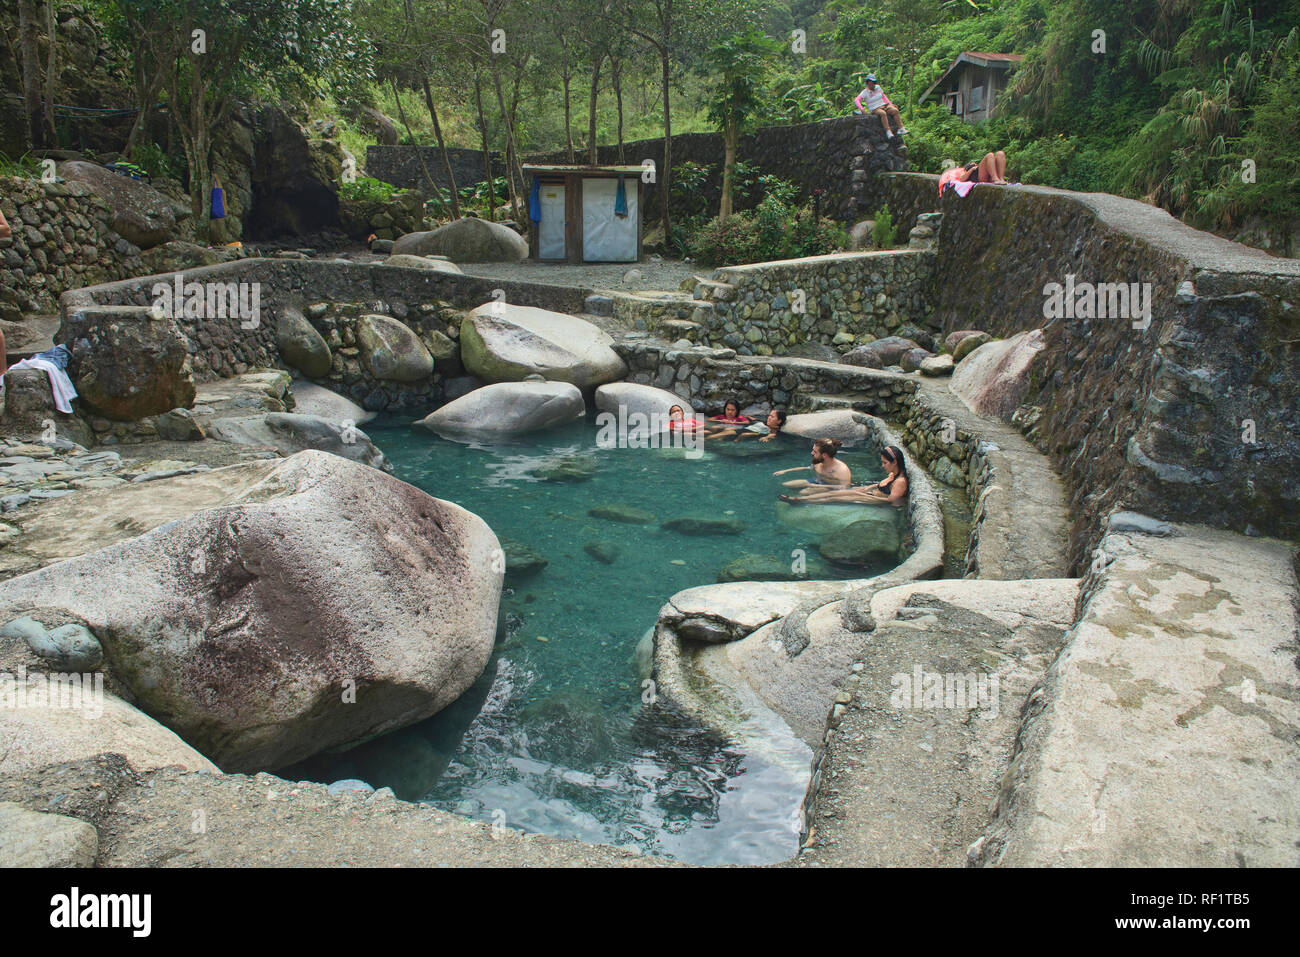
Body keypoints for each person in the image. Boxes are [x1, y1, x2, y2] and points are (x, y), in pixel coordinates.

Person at [782, 444, 909, 505]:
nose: (882, 466)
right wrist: (868, 488)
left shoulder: (900, 482)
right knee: (833, 493)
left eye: (885, 463)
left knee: (834, 497)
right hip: (869, 493)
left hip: (872, 499)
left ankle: (802, 501)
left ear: (895, 462)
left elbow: (889, 501)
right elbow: (881, 484)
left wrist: (859, 494)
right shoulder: (894, 474)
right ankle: (801, 499)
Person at [774, 437, 852, 492]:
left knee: (804, 492)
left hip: (830, 487)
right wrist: (785, 471)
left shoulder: (842, 470)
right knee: (786, 485)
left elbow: (845, 488)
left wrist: (818, 486)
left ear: (824, 455)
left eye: (815, 452)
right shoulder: (818, 462)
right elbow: (808, 468)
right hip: (817, 482)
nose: (812, 453)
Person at [854, 74, 906, 139]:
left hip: (884, 105)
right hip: (874, 108)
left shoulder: (878, 88)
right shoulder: (865, 92)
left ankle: (901, 128)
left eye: (873, 83)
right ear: (867, 84)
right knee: (883, 113)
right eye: (870, 84)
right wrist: (862, 109)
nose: (871, 85)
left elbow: (884, 97)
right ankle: (888, 131)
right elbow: (856, 100)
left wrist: (891, 104)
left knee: (895, 110)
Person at [938, 151, 1008, 194]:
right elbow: (961, 179)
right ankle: (995, 178)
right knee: (990, 155)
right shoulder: (963, 170)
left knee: (1000, 154)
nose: (973, 163)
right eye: (972, 163)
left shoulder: (976, 166)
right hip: (977, 175)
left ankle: (1000, 178)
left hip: (986, 174)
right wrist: (971, 169)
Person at [714, 407, 786, 442]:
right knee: (725, 429)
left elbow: (773, 434)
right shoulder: (764, 422)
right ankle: (718, 440)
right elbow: (752, 419)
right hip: (745, 429)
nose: (769, 418)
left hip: (749, 432)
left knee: (728, 432)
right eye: (769, 415)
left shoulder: (773, 429)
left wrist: (766, 438)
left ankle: (712, 440)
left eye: (772, 417)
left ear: (779, 421)